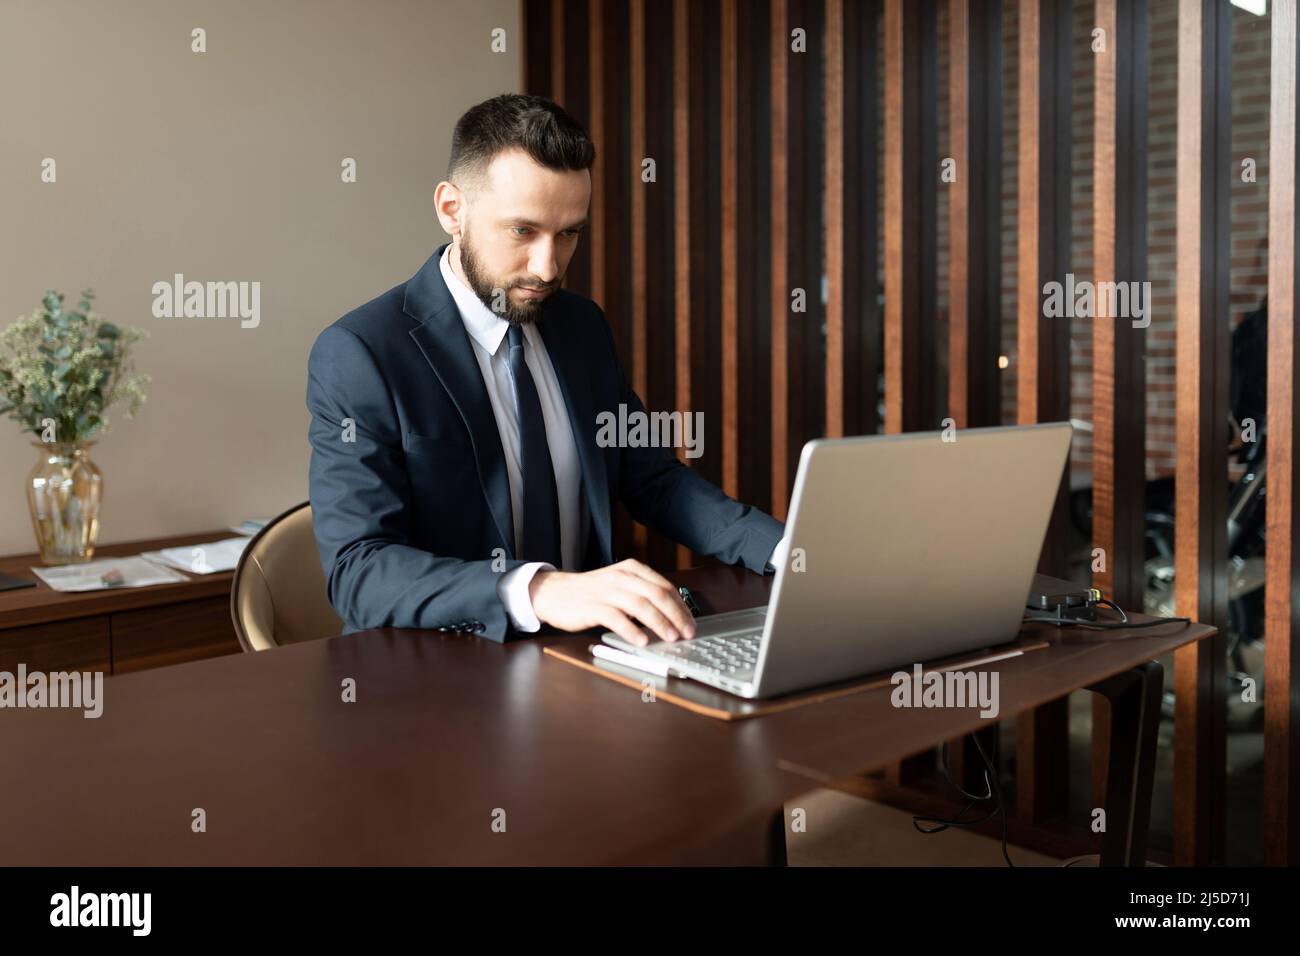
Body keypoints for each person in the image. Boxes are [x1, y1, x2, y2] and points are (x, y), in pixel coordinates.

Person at [306, 94, 786, 647]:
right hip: (441, 668)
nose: (548, 267)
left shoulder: (581, 326)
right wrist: (537, 590)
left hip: (584, 656)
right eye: (522, 231)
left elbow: (651, 478)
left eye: (569, 233)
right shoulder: (360, 353)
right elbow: (359, 570)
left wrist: (787, 551)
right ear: (451, 209)